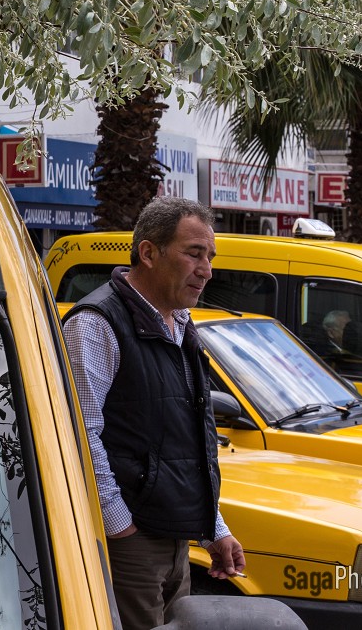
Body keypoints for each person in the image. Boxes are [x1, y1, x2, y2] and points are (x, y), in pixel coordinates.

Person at [62, 197, 245, 630]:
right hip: (132, 543)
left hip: (176, 541)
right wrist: (121, 530)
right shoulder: (95, 323)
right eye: (194, 253)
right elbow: (81, 437)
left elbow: (186, 445)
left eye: (210, 257)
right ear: (148, 252)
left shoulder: (179, 322)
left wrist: (212, 529)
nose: (207, 270)